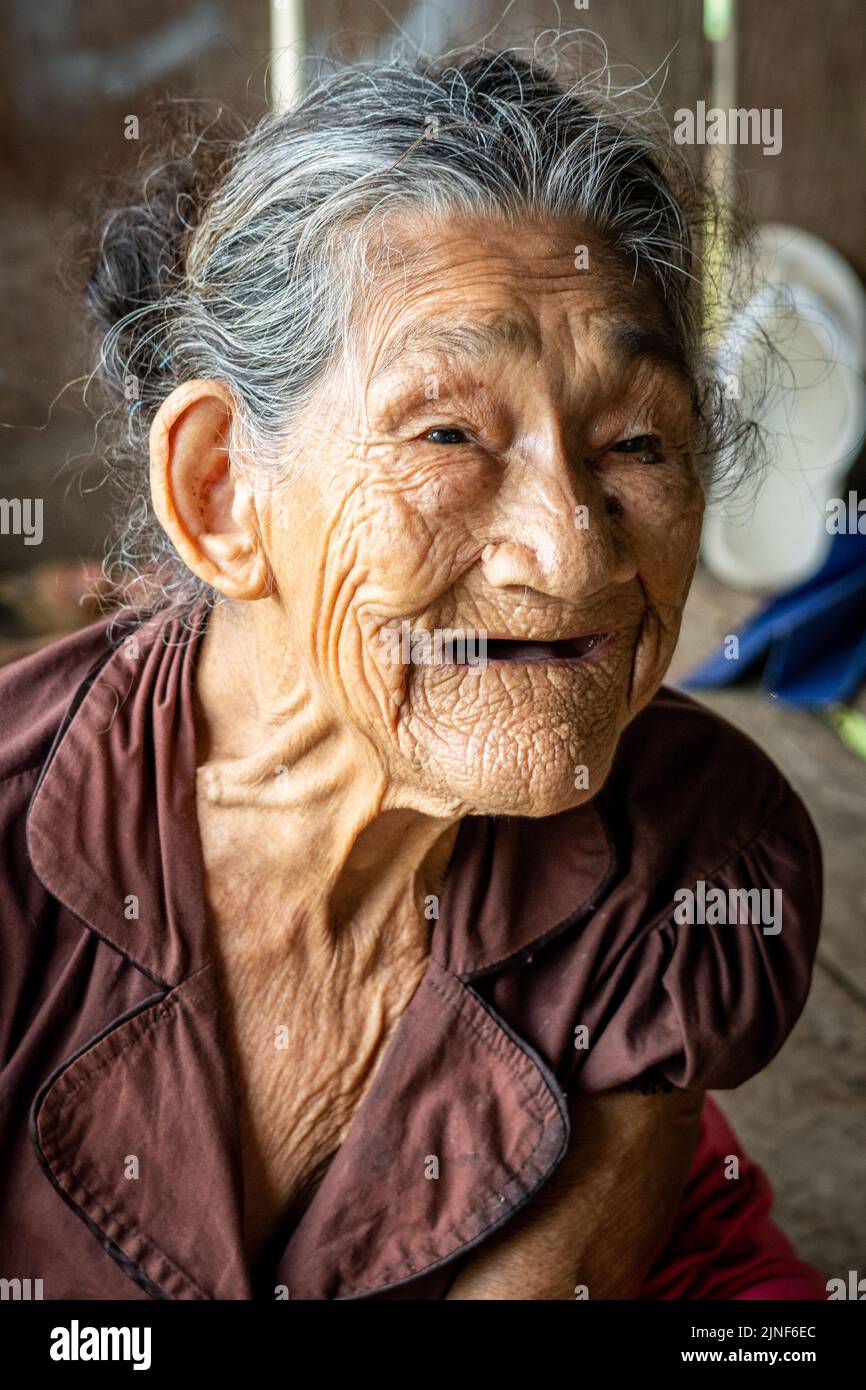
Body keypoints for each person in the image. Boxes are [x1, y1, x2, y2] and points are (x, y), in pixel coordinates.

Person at [0, 48, 826, 1300]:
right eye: (448, 432)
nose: (569, 547)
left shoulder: (691, 850)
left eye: (637, 441)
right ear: (220, 490)